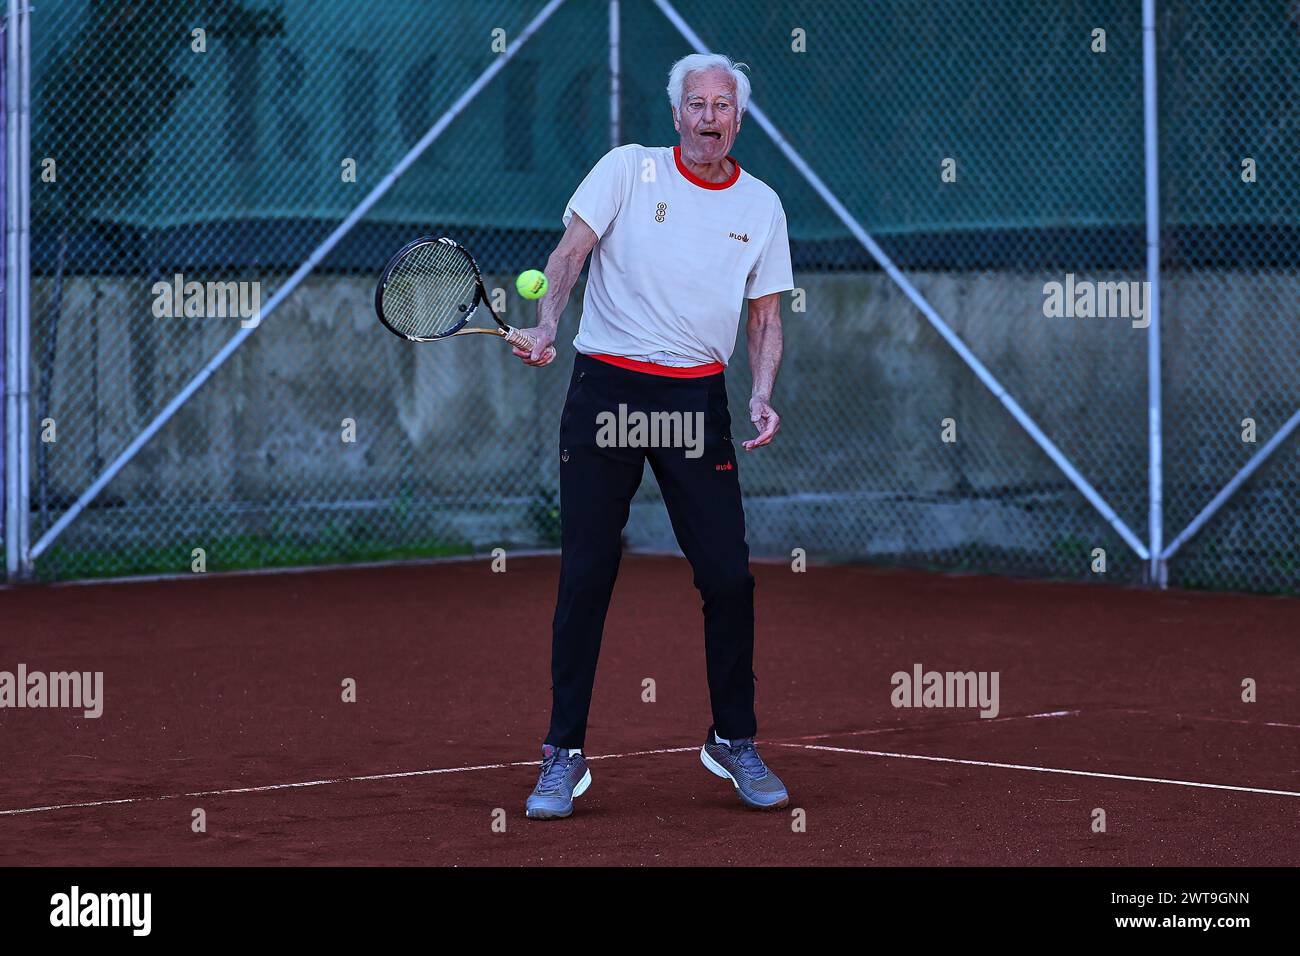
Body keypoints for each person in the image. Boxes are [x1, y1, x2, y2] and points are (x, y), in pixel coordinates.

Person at [512, 53, 793, 820]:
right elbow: (570, 253)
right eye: (696, 103)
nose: (709, 116)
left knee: (729, 576)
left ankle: (732, 740)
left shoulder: (762, 205)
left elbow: (765, 313)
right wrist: (546, 322)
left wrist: (761, 391)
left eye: (723, 105)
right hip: (607, 391)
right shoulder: (625, 171)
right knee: (588, 571)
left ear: (739, 118)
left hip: (695, 404)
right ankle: (561, 756)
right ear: (675, 115)